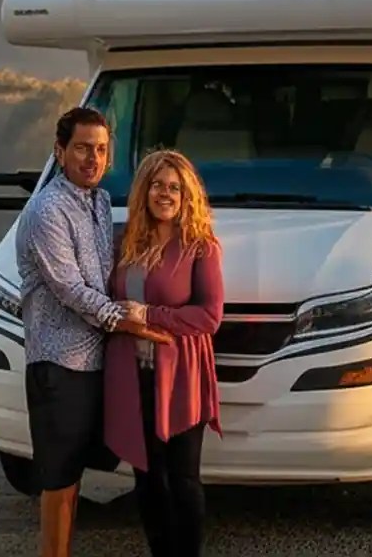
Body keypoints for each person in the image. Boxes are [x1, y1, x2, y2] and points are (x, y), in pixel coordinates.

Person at [16, 107, 171, 557]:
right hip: (59, 363)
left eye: (101, 150)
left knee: (81, 473)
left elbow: (110, 269)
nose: (93, 158)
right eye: (83, 148)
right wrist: (137, 322)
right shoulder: (46, 210)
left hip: (98, 361)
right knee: (59, 479)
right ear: (60, 151)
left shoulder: (100, 202)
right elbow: (73, 291)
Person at [103, 149, 225, 557]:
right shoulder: (126, 243)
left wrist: (150, 314)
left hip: (181, 376)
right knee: (146, 475)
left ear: (186, 194)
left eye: (174, 187)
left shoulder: (201, 246)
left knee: (183, 478)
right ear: (145, 191)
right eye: (158, 185)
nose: (166, 194)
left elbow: (209, 317)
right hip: (133, 373)